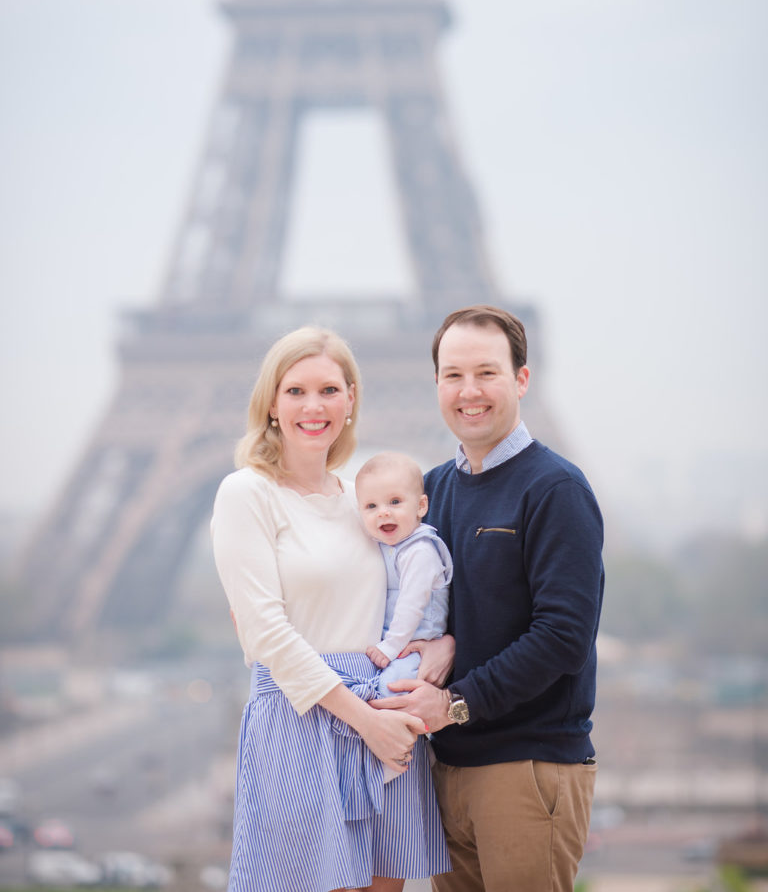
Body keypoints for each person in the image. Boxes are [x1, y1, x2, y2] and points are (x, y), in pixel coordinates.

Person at [373, 305, 604, 892]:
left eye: (486, 373)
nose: (468, 391)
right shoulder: (431, 492)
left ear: (522, 379)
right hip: (446, 767)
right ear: (436, 385)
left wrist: (451, 703)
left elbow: (563, 638)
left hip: (525, 767)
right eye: (453, 375)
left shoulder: (555, 489)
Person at [211, 327, 450, 892]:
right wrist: (368, 723)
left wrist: (444, 644)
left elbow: (417, 588)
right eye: (295, 391)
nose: (313, 406)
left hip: (383, 708)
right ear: (271, 402)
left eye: (328, 390)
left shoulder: (364, 502)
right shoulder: (246, 493)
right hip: (305, 718)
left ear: (351, 400)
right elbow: (267, 632)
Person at [355, 452, 453, 698]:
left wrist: (390, 646)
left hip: (417, 647)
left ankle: (402, 734)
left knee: (393, 689)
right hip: (396, 644)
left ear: (421, 506)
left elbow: (412, 604)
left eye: (395, 502)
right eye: (371, 506)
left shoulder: (420, 551)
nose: (383, 513)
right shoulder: (387, 546)